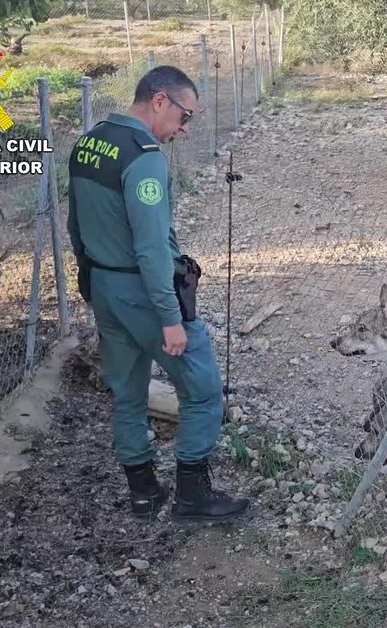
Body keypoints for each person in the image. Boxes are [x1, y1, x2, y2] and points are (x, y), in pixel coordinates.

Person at [67, 65, 250, 524]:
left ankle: (144, 495)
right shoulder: (143, 156)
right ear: (160, 101)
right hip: (144, 293)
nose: (184, 130)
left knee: (128, 394)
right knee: (205, 391)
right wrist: (171, 318)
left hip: (105, 288)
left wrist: (92, 285)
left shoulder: (91, 141)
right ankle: (193, 498)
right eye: (184, 117)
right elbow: (151, 248)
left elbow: (76, 226)